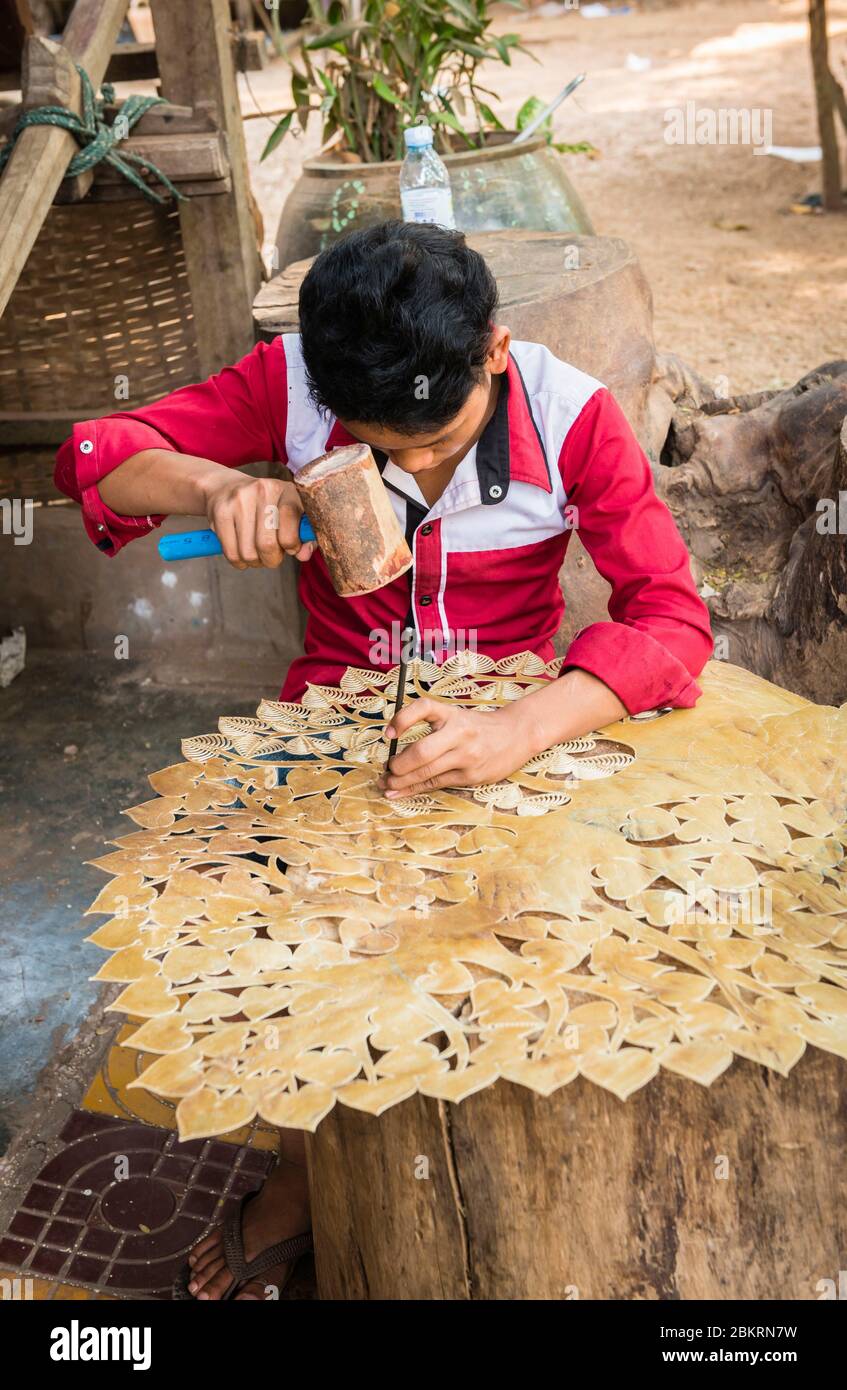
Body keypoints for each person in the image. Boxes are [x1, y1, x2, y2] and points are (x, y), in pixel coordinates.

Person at [55, 220, 713, 1298]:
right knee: (292, 952)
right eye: (383, 450)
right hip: (332, 720)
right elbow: (96, 456)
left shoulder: (574, 416)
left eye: (440, 442)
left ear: (494, 350)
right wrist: (219, 487)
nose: (414, 471)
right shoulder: (294, 385)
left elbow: (674, 622)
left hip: (514, 720)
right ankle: (313, 1172)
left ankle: (487, 1178)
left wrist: (523, 728)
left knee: (524, 960)